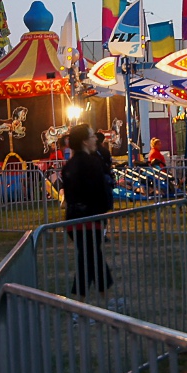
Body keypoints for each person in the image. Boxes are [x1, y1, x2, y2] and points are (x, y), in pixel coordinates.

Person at [60, 124, 112, 297]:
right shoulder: (92, 163)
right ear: (84, 141)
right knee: (89, 258)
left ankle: (104, 294)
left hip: (74, 220)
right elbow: (100, 193)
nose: (95, 139)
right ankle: (80, 301)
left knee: (91, 256)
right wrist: (104, 208)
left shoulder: (69, 166)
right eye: (91, 136)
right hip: (90, 219)